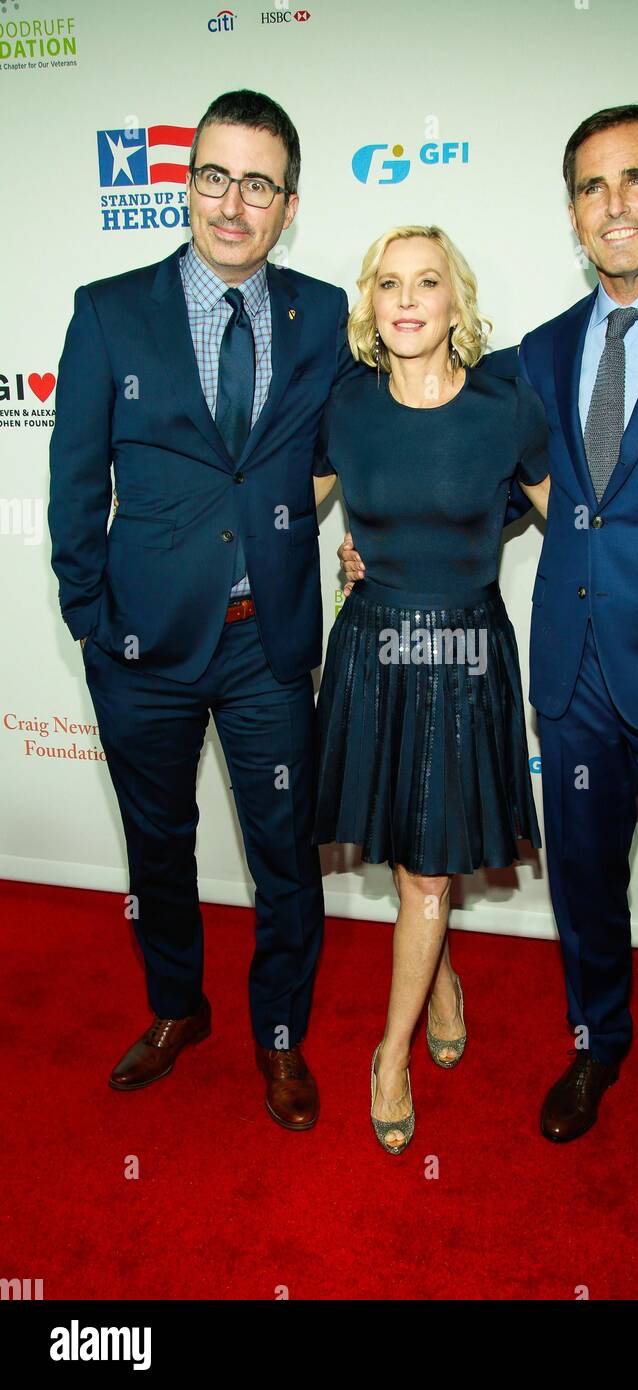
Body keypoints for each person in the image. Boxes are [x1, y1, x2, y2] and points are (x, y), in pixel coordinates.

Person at [340, 108, 638, 1192]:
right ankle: (595, 1044)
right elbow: (486, 476)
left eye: (633, 180)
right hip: (569, 680)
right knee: (589, 893)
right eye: (591, 187)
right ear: (570, 212)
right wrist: (384, 553)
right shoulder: (540, 355)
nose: (614, 203)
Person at [48, 89, 365, 1131]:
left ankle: (279, 1036)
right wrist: (94, 616)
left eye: (258, 184)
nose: (234, 203)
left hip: (266, 646)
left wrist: (325, 528)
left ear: (288, 203)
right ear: (188, 185)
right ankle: (178, 1008)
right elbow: (72, 480)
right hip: (140, 646)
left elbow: (336, 453)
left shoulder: (319, 314)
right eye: (216, 176)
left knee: (285, 857)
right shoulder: (108, 308)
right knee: (158, 847)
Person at [312, 225, 550, 1154]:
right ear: (371, 303)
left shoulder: (506, 405)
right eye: (387, 284)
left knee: (430, 867)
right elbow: (287, 499)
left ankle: (388, 1054)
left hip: (464, 652)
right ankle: (441, 983)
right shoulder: (347, 408)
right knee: (416, 854)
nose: (407, 300)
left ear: (457, 300)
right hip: (375, 646)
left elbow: (568, 516)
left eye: (427, 282)